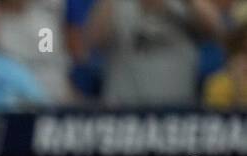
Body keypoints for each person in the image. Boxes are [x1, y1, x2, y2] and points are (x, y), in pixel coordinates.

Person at [84, 0, 224, 105]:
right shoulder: (118, 5)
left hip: (177, 117)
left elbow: (217, 30)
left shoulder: (185, 6)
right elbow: (92, 41)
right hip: (123, 117)